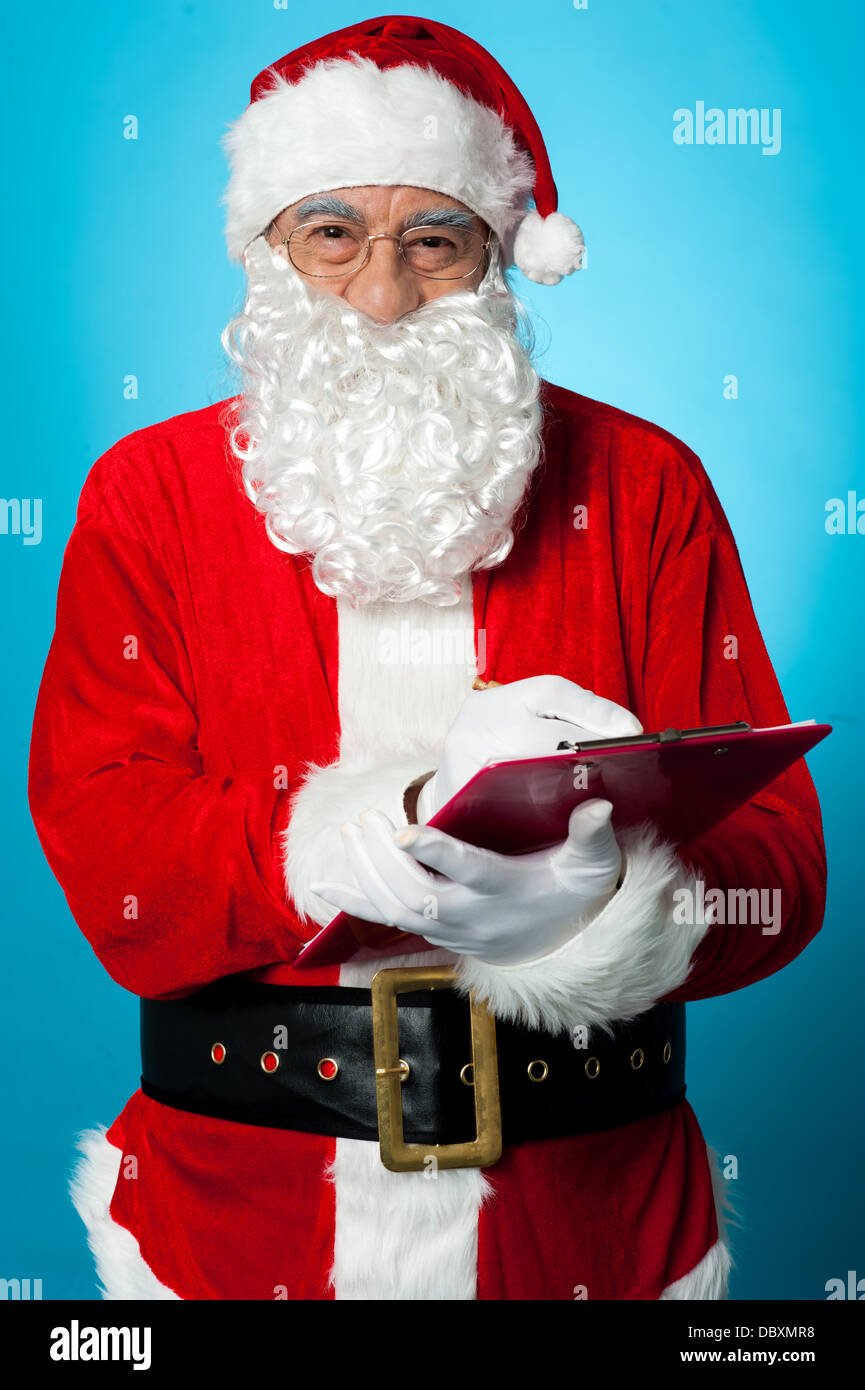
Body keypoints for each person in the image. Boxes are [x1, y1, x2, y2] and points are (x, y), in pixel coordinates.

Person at [29, 15, 826, 1301]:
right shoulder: (148, 496)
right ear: (266, 251)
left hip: (594, 1230)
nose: (383, 295)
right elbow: (109, 846)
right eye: (332, 231)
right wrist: (370, 834)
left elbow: (781, 865)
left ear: (497, 261)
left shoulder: (644, 486)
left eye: (433, 242)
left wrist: (607, 908)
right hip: (232, 1226)